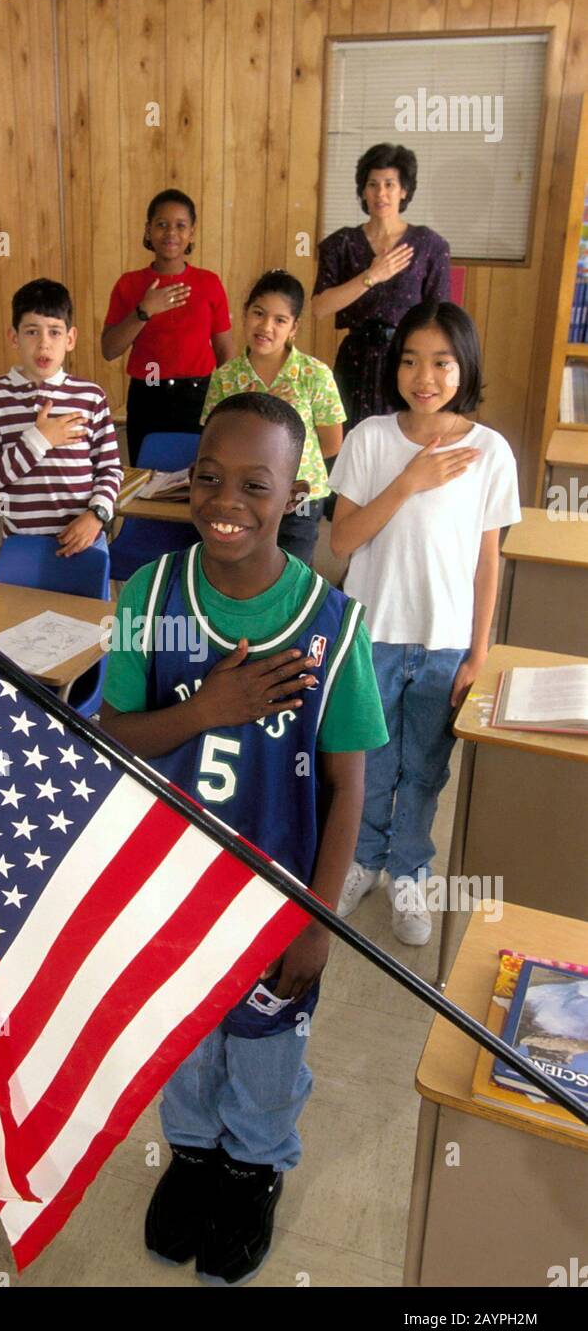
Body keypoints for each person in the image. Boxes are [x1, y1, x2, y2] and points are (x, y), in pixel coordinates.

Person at [98, 391, 387, 1285]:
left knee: (263, 1056)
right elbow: (109, 735)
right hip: (170, 892)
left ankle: (251, 1167)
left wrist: (319, 920)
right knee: (182, 1039)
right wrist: (210, 707)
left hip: (275, 902)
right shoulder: (151, 596)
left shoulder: (333, 626)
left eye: (254, 485)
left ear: (294, 493)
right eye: (210, 479)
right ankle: (191, 1153)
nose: (227, 501)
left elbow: (345, 789)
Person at [328, 301, 521, 946]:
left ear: (464, 366)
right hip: (371, 636)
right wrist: (407, 482)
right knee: (370, 763)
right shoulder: (370, 439)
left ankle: (411, 872)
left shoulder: (490, 451)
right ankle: (364, 860)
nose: (425, 376)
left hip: (444, 645)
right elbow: (343, 540)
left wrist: (479, 651)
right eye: (410, 360)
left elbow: (486, 560)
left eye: (441, 362)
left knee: (426, 770)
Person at [201, 269, 345, 565]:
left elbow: (331, 444)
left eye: (280, 320)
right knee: (243, 570)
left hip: (299, 498)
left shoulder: (314, 375)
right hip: (242, 496)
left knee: (292, 576)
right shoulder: (226, 377)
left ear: (294, 327)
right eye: (258, 313)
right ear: (244, 314)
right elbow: (213, 442)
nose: (266, 326)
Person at [0, 278, 122, 551]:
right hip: (21, 545)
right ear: (13, 337)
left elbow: (110, 469)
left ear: (70, 338)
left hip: (84, 539)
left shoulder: (90, 396)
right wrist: (38, 440)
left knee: (83, 596)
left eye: (54, 332)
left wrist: (97, 515)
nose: (43, 344)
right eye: (31, 332)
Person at [311, 143, 451, 430]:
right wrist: (372, 276)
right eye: (372, 184)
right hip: (355, 359)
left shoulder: (429, 245)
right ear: (363, 191)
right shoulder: (341, 244)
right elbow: (318, 308)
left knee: (401, 439)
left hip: (406, 359)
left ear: (404, 190)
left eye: (390, 184)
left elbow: (441, 316)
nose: (381, 193)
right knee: (350, 441)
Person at [101, 189, 234, 465]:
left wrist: (231, 402)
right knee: (148, 480)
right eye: (161, 224)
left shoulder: (209, 283)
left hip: (201, 397)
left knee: (200, 477)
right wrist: (144, 310)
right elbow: (109, 349)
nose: (170, 232)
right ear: (148, 230)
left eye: (180, 225)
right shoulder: (129, 284)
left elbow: (225, 350)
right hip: (148, 393)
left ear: (192, 233)